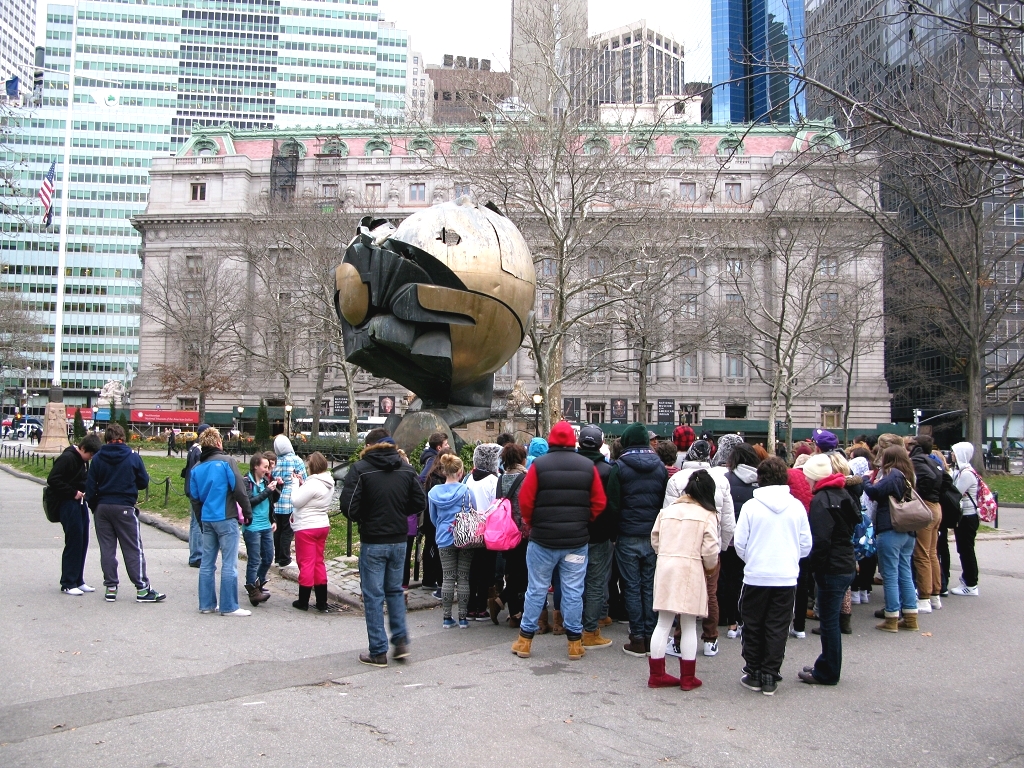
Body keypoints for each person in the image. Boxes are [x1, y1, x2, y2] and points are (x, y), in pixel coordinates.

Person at [510, 421, 607, 661]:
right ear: (572, 441)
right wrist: (584, 520)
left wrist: (533, 523)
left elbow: (526, 501)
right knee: (574, 590)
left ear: (551, 440)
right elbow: (599, 502)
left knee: (536, 589)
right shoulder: (587, 466)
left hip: (542, 540)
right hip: (576, 540)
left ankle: (524, 641)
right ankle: (574, 643)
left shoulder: (539, 465)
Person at [340, 429, 426, 667]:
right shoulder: (406, 469)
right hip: (398, 539)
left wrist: (366, 517)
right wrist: (398, 513)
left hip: (374, 539)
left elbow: (348, 506)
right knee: (395, 591)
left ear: (370, 445)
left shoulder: (361, 469)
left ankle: (378, 650)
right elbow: (420, 502)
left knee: (374, 595)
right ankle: (400, 641)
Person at [734, 457, 812, 696]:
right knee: (778, 626)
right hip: (785, 576)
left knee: (753, 624)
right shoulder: (796, 506)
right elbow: (806, 544)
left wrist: (754, 559)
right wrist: (789, 558)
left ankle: (754, 670)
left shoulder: (751, 506)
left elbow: (739, 543)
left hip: (757, 574)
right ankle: (770, 673)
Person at [647, 470, 721, 690]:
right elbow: (710, 552)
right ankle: (688, 678)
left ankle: (656, 675)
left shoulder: (667, 511)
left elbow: (655, 540)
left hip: (666, 568)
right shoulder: (707, 515)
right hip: (691, 569)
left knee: (663, 623)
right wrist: (709, 569)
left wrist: (667, 553)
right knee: (688, 625)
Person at [664, 438, 736, 657]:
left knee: (682, 592)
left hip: (683, 546)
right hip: (710, 542)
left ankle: (678, 640)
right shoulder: (722, 480)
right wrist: (721, 546)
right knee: (710, 593)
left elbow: (669, 516)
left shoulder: (677, 479)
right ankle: (710, 639)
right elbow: (727, 521)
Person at [797, 454, 860, 685]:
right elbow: (855, 521)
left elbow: (821, 539)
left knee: (829, 622)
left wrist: (815, 566)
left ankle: (829, 671)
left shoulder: (821, 501)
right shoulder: (843, 494)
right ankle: (825, 662)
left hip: (832, 566)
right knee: (830, 620)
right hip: (845, 561)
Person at [85, 424, 164, 604]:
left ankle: (111, 586)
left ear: (107, 439)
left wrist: (94, 506)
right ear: (123, 437)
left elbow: (90, 486)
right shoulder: (132, 457)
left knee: (107, 549)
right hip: (125, 506)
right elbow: (143, 481)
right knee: (132, 548)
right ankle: (142, 588)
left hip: (103, 507)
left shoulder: (97, 458)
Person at [611, 423, 668, 657]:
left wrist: (613, 534)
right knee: (649, 586)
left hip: (627, 534)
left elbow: (613, 504)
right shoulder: (661, 467)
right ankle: (652, 635)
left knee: (631, 587)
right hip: (653, 535)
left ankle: (637, 638)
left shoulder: (619, 467)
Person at [190, 427, 253, 616]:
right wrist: (247, 512)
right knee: (229, 563)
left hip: (207, 517)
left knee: (207, 563)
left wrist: (201, 519)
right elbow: (239, 489)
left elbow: (194, 497)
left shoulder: (196, 468)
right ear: (218, 443)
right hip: (226, 516)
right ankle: (229, 606)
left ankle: (207, 604)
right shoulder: (227, 462)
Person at [863, 444, 919, 631]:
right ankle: (910, 615)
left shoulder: (893, 475)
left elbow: (875, 492)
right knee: (905, 573)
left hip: (890, 527)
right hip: (907, 530)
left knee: (890, 574)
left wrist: (865, 481)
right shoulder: (908, 475)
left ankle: (892, 616)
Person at [577, 424, 620, 648]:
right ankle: (590, 630)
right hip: (600, 533)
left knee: (573, 581)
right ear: (601, 443)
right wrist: (613, 533)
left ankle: (572, 625)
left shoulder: (571, 466)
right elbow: (613, 506)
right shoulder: (608, 470)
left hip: (573, 532)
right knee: (595, 582)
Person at [48, 434, 103, 596]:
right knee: (74, 540)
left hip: (79, 503)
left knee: (83, 539)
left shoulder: (82, 461)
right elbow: (53, 479)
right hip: (67, 503)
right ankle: (68, 582)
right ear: (83, 448)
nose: (91, 458)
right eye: (90, 454)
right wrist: (73, 493)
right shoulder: (67, 458)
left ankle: (78, 579)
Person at [428, 453, 475, 628]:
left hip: (443, 537)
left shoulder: (433, 493)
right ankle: (463, 618)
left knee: (447, 578)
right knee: (463, 577)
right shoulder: (465, 491)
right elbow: (472, 510)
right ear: (460, 471)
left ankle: (447, 617)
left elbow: (433, 518)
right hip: (464, 537)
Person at [721, 443, 760, 639]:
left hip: (731, 539)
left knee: (730, 580)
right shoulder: (761, 481)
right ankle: (748, 620)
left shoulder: (726, 479)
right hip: (756, 539)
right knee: (750, 581)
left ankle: (731, 622)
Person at [290, 451, 336, 613]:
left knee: (306, 562)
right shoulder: (328, 482)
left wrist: (296, 484)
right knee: (318, 562)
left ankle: (303, 600)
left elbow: (296, 500)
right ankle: (321, 601)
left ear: (312, 466)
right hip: (322, 524)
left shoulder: (313, 484)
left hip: (307, 527)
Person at [491, 442, 531, 627]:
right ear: (522, 459)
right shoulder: (526, 479)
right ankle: (505, 604)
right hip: (521, 533)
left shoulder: (500, 479)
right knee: (522, 573)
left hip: (504, 532)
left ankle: (514, 612)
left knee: (511, 572)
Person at [906, 435, 944, 612]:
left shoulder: (917, 461)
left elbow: (924, 479)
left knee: (921, 554)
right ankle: (935, 593)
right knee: (931, 552)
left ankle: (924, 597)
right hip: (936, 506)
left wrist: (918, 492)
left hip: (926, 505)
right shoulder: (932, 460)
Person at [465, 443, 501, 620]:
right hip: (488, 531)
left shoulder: (469, 478)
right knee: (486, 570)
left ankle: (470, 606)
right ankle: (481, 607)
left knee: (472, 569)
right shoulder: (494, 481)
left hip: (471, 529)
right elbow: (498, 505)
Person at [241, 454, 278, 606]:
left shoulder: (266, 481)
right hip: (252, 526)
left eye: (268, 467)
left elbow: (271, 502)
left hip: (265, 525)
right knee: (254, 559)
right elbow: (249, 502)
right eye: (264, 467)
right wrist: (267, 491)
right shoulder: (246, 481)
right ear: (256, 466)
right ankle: (252, 589)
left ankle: (259, 581)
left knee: (268, 557)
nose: (267, 470)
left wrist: (273, 519)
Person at [950, 442, 981, 596]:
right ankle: (968, 579)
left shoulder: (967, 474)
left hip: (968, 516)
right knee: (964, 549)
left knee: (966, 550)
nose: (952, 454)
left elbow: (955, 492)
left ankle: (971, 583)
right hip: (966, 516)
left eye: (954, 452)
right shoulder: (962, 471)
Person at [272, 435, 306, 567]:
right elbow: (304, 478)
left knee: (278, 530)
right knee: (287, 531)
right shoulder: (296, 460)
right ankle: (285, 559)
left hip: (276, 501)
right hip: (290, 501)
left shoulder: (276, 461)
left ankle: (278, 557)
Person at [182, 423, 211, 568]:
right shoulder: (199, 450)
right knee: (196, 522)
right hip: (196, 489)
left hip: (190, 487)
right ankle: (196, 555)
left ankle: (195, 553)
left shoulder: (193, 448)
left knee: (194, 522)